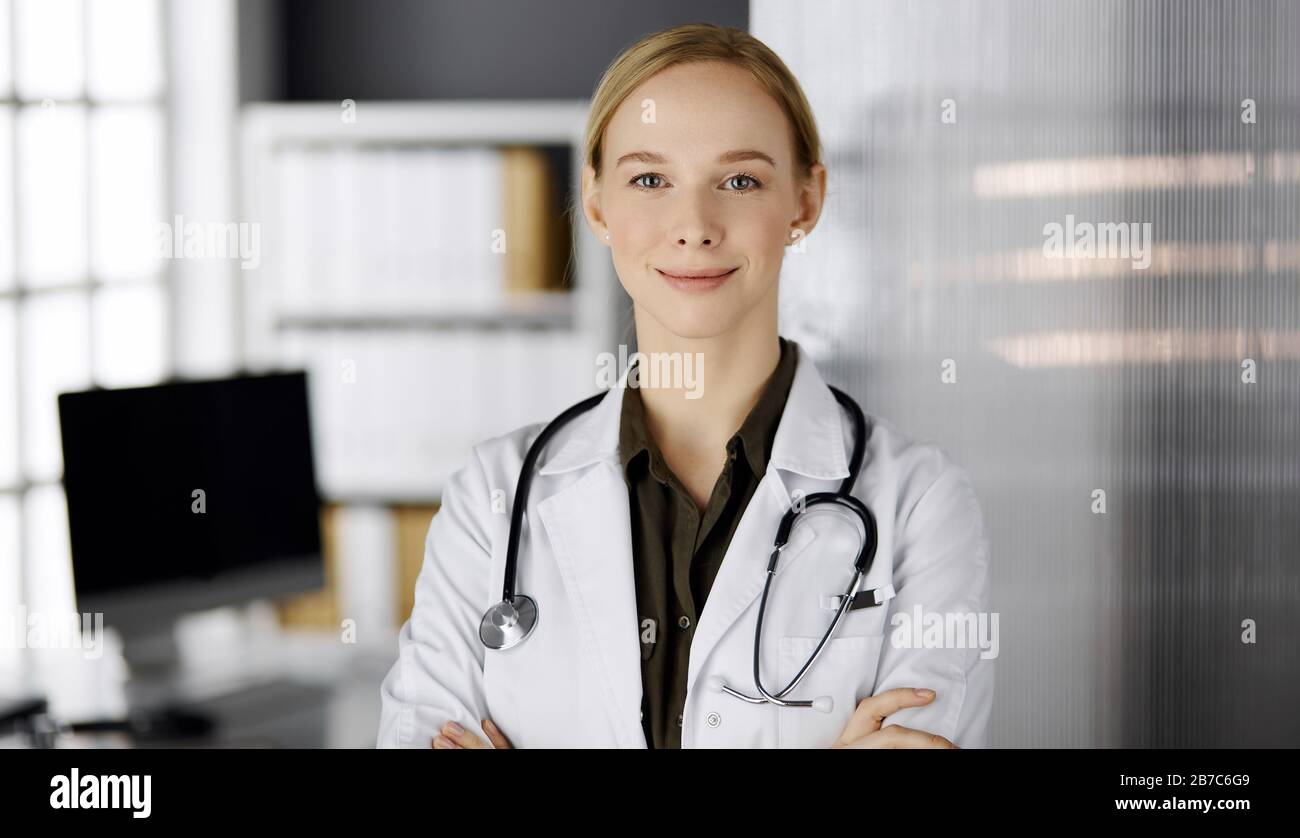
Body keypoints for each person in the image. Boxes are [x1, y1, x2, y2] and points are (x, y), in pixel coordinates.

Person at [377, 22, 992, 749]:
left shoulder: (920, 504)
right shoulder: (493, 497)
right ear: (599, 203)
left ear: (805, 200)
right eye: (649, 179)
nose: (693, 225)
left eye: (740, 181)